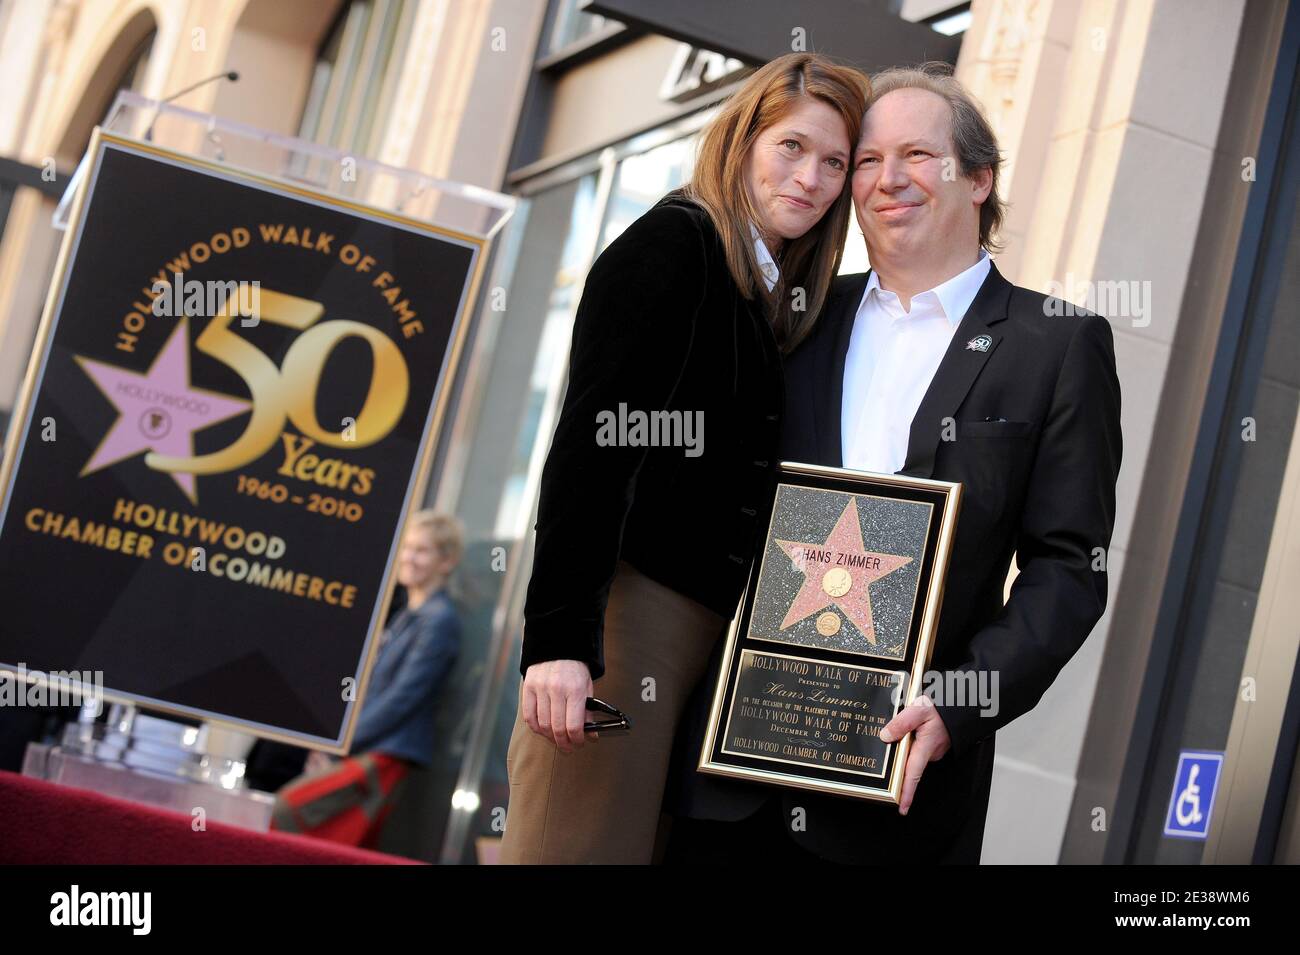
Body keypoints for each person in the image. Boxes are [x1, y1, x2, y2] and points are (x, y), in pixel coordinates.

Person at [663, 62, 1123, 865]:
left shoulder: (1057, 344)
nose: (886, 179)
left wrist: (962, 701)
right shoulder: (793, 318)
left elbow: (1067, 568)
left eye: (917, 155)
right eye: (867, 161)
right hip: (732, 780)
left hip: (897, 798)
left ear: (979, 178)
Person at [499, 53, 871, 864]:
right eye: (792, 147)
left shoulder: (766, 285)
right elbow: (591, 448)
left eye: (835, 161)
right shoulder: (673, 245)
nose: (811, 177)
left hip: (702, 641)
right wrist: (560, 641)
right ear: (742, 140)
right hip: (625, 625)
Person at [271, 510, 463, 850]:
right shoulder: (410, 614)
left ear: (446, 562)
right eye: (406, 547)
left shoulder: (439, 620)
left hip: (384, 753)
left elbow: (402, 698)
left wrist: (342, 746)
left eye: (421, 550)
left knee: (292, 810)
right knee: (335, 840)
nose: (408, 557)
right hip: (369, 748)